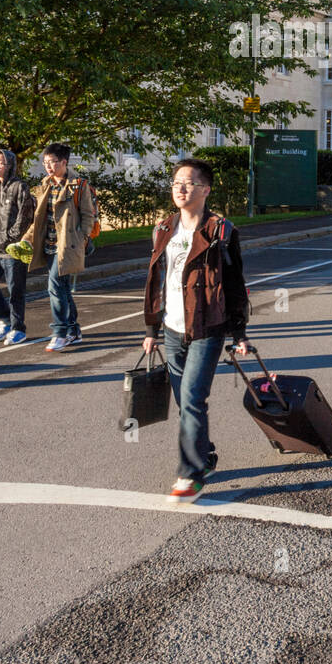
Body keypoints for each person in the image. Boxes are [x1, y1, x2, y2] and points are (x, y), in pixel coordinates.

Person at [142, 157, 250, 501]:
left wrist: (239, 334)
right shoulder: (163, 230)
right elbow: (158, 281)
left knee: (191, 399)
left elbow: (235, 285)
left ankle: (189, 475)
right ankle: (205, 454)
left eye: (188, 183)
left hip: (208, 327)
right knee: (183, 400)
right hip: (172, 329)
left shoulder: (221, 231)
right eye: (176, 183)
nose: (180, 189)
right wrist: (151, 329)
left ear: (205, 189)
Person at [11, 142, 95, 352]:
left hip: (67, 246)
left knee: (54, 286)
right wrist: (26, 239)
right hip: (47, 245)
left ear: (64, 162)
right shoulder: (45, 184)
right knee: (63, 288)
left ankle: (59, 332)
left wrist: (82, 238)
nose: (48, 166)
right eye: (45, 162)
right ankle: (74, 330)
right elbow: (39, 219)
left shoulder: (79, 185)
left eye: (53, 162)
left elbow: (88, 216)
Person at [0, 149, 35, 345]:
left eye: (1, 163)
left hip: (13, 249)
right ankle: (5, 320)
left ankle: (18, 328)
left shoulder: (19, 187)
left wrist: (11, 237)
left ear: (10, 165)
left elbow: (25, 216)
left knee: (16, 290)